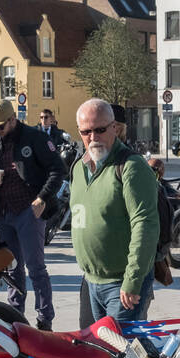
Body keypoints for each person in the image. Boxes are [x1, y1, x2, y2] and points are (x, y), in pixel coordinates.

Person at [70, 97, 158, 324]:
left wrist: (133, 280)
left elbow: (145, 224)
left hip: (121, 285)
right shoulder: (79, 168)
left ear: (114, 128)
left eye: (99, 130)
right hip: (91, 282)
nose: (93, 137)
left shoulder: (130, 166)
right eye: (86, 131)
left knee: (122, 352)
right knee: (99, 354)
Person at [0, 99, 66, 329]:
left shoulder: (35, 137)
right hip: (4, 211)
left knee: (35, 268)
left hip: (29, 210)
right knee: (11, 268)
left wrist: (43, 197)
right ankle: (14, 317)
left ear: (12, 120)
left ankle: (44, 320)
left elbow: (58, 170)